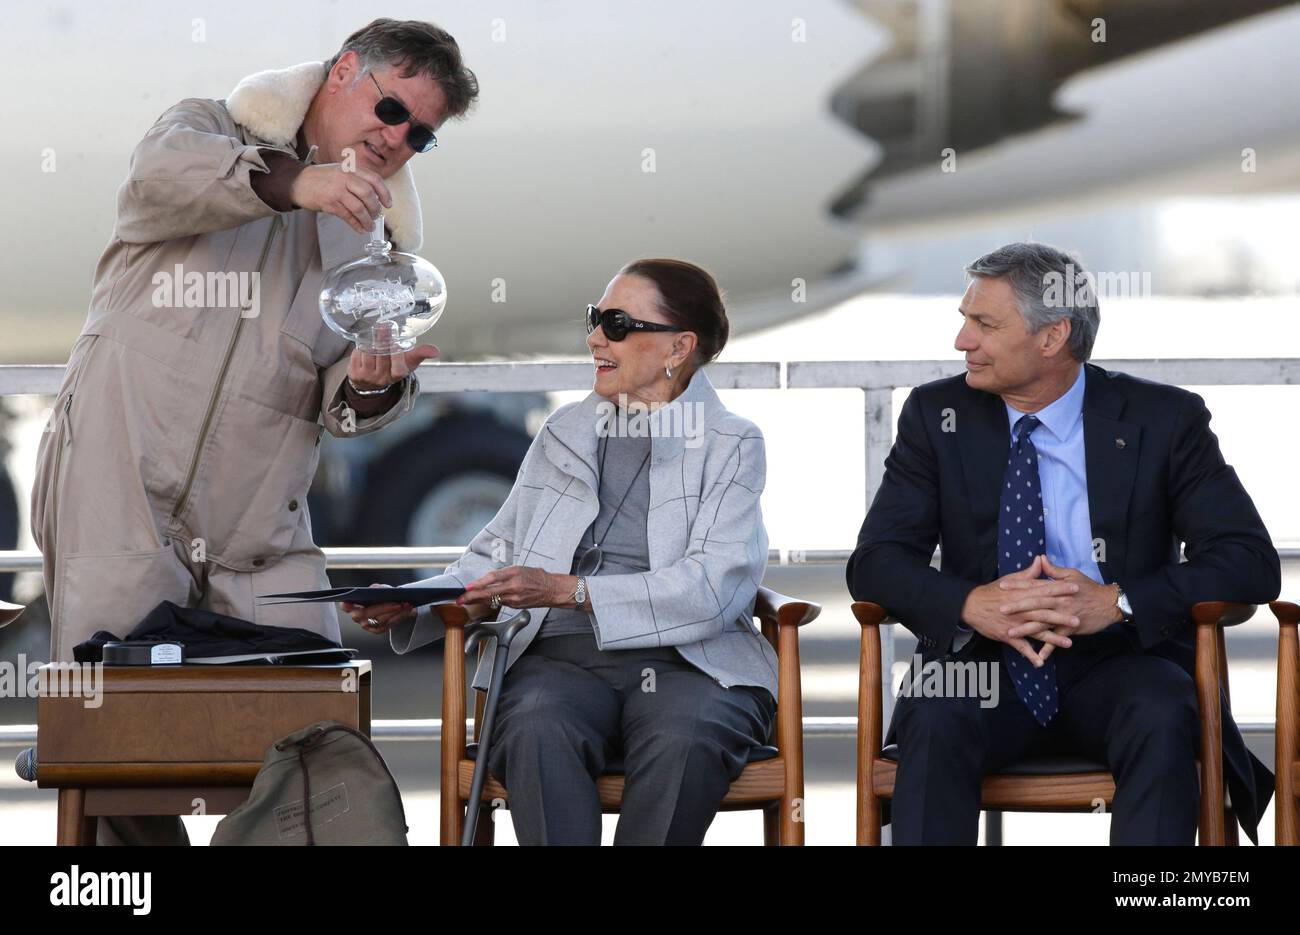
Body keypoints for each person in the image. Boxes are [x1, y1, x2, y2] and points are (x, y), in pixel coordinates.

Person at [30, 18, 478, 845]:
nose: (397, 139)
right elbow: (157, 184)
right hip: (117, 479)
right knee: (118, 737)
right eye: (390, 110)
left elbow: (341, 405)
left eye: (421, 135)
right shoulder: (206, 126)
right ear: (342, 71)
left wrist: (376, 387)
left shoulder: (371, 239)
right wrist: (298, 185)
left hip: (257, 519)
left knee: (319, 724)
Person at [846, 242, 1279, 845]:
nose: (962, 341)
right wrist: (973, 604)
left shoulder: (1163, 419)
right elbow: (876, 564)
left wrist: (1118, 602)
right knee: (937, 710)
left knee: (1163, 708)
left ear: (1053, 336)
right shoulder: (935, 413)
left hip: (1122, 661)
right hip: (980, 665)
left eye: (984, 324)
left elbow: (1248, 563)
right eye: (965, 320)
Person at [349, 259, 779, 845]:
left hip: (695, 663)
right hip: (563, 661)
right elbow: (495, 553)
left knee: (686, 735)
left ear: (680, 346)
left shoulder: (732, 444)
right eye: (595, 319)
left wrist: (570, 591)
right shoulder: (565, 432)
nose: (596, 338)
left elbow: (714, 590)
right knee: (533, 723)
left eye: (619, 323)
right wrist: (416, 601)